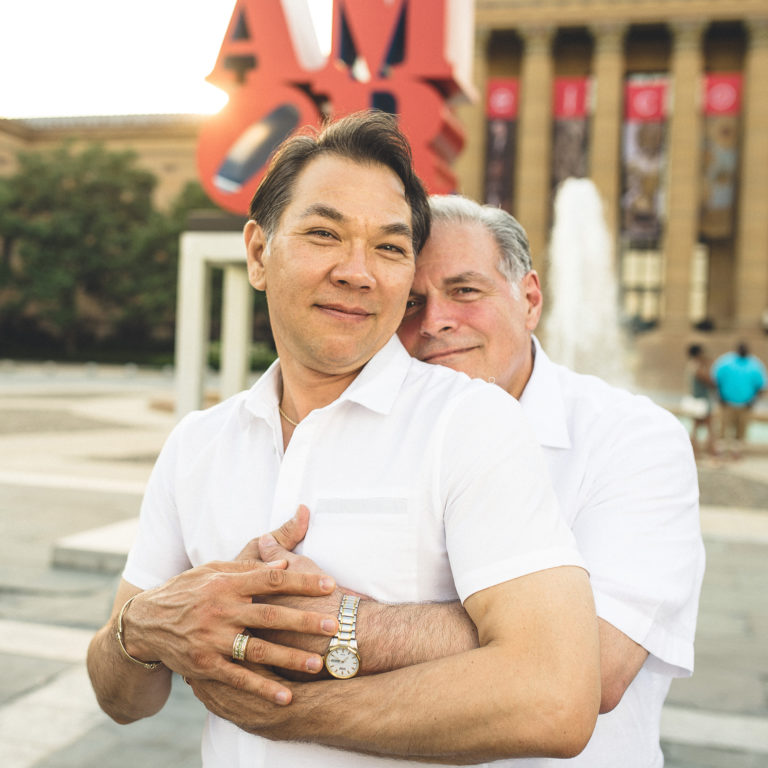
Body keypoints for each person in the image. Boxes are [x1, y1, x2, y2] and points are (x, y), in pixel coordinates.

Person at [87, 113, 600, 767]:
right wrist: (141, 629)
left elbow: (554, 697)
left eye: (388, 249)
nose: (358, 272)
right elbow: (122, 700)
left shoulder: (468, 423)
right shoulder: (198, 443)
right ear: (257, 253)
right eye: (324, 234)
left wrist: (293, 714)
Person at [201, 195, 704, 768]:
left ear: (530, 299)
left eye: (466, 291)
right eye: (412, 301)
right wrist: (519, 637)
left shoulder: (634, 438)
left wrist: (341, 625)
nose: (436, 320)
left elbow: (593, 670)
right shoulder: (359, 426)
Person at [712, 341, 767, 457]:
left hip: (745, 404)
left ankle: (736, 453)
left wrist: (753, 400)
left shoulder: (755, 364)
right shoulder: (725, 362)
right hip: (726, 402)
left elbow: (761, 385)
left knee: (741, 430)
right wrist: (719, 396)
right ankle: (720, 452)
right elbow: (716, 380)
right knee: (722, 428)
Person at [684, 343, 717, 456]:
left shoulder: (691, 365)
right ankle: (709, 451)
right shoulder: (697, 366)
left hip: (696, 400)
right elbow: (710, 381)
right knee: (708, 427)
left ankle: (696, 451)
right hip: (702, 401)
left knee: (696, 428)